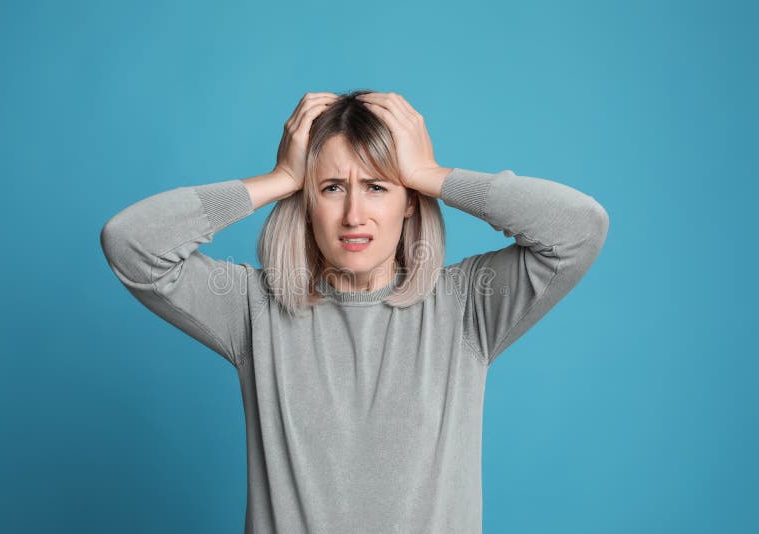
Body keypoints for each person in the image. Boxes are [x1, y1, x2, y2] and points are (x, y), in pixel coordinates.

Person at [100, 90, 609, 533]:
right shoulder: (253, 308)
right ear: (306, 201)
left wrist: (432, 174)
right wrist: (278, 178)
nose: (353, 215)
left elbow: (578, 228)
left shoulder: (466, 305)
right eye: (331, 187)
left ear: (409, 202)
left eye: (377, 186)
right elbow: (132, 242)